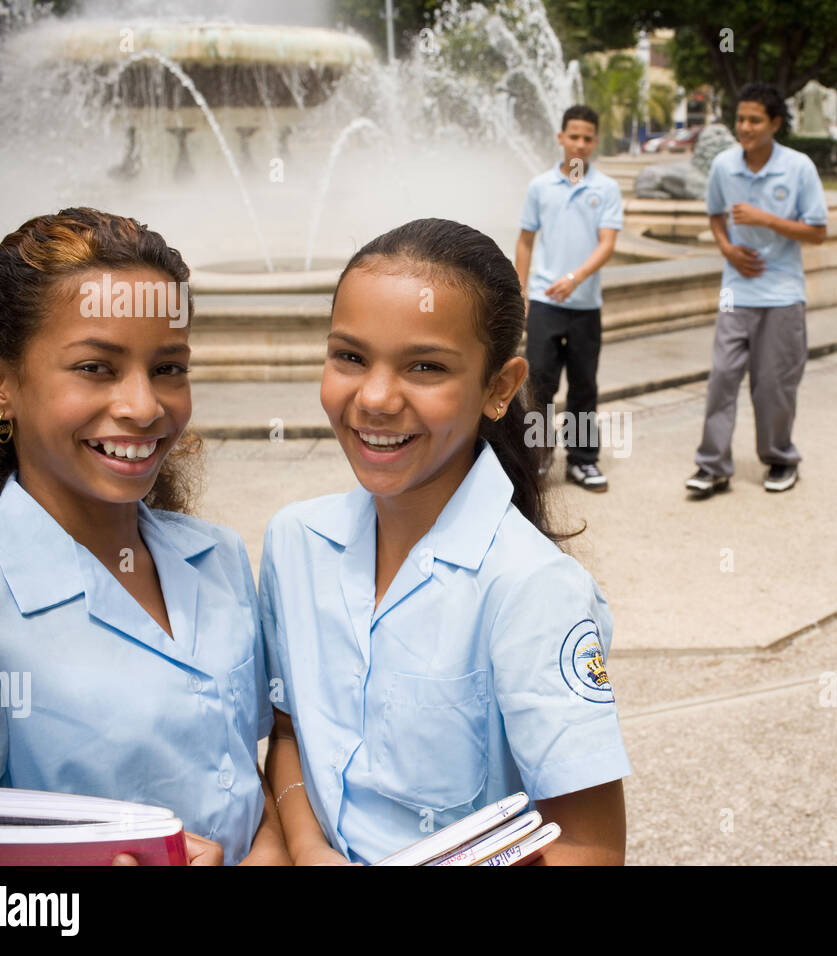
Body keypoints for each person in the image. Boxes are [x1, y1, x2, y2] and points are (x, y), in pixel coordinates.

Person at [262, 218, 631, 866]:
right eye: (349, 356)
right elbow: (289, 728)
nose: (375, 398)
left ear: (499, 387)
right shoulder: (294, 543)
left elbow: (588, 845)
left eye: (425, 366)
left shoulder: (532, 589)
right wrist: (307, 846)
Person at [0, 208, 286, 865]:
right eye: (96, 367)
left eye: (169, 368)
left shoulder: (221, 560)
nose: (144, 406)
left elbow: (250, 788)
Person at [685, 82, 828, 498]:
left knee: (774, 384)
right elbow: (715, 215)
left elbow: (817, 232)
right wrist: (728, 249)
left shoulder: (799, 167)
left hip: (782, 293)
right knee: (722, 378)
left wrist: (767, 220)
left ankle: (780, 457)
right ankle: (712, 467)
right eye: (740, 118)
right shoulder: (724, 166)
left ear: (775, 123)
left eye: (754, 120)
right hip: (735, 291)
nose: (744, 127)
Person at [515, 104, 622, 492]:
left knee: (583, 385)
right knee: (539, 383)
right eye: (573, 135)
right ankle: (538, 459)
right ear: (561, 138)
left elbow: (607, 244)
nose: (579, 144)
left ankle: (582, 460)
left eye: (587, 138)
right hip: (545, 303)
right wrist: (522, 292)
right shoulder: (540, 186)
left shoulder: (606, 188)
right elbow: (525, 241)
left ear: (595, 142)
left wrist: (576, 278)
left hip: (585, 306)